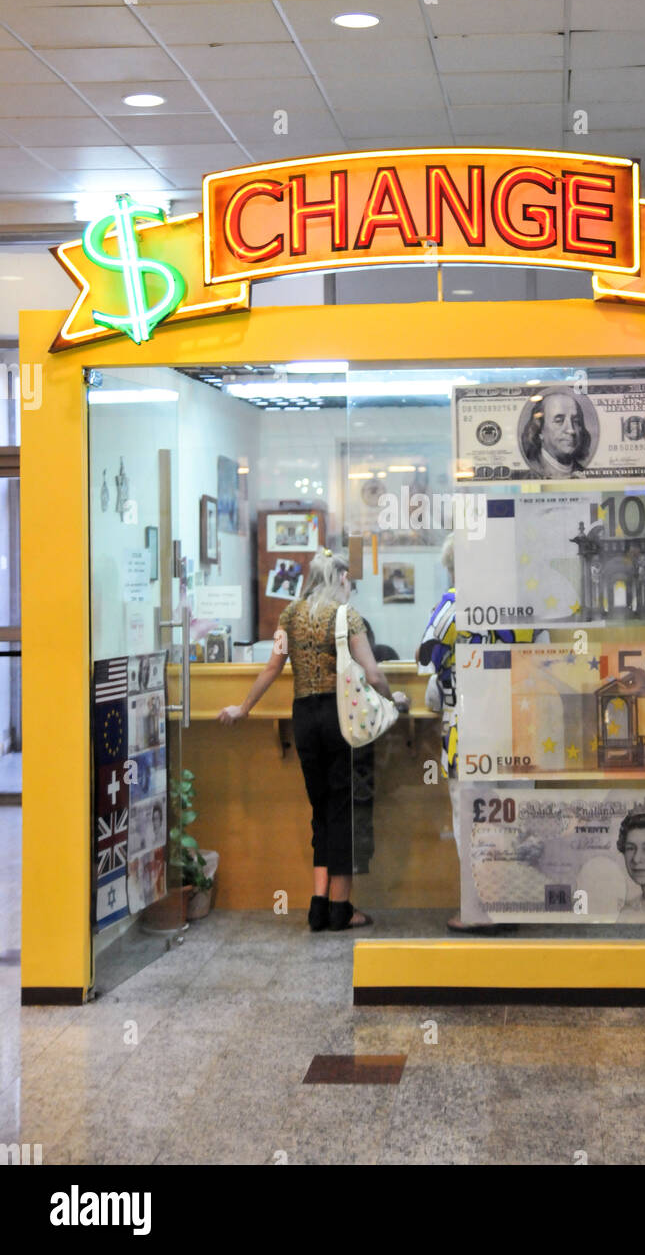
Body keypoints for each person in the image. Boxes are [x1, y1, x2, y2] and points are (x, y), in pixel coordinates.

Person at [218, 549, 405, 932]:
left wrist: (243, 707)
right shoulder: (346, 616)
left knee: (321, 811)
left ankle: (319, 906)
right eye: (348, 580)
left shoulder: (291, 615)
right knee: (345, 813)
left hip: (305, 719)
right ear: (339, 580)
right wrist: (394, 701)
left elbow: (273, 666)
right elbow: (372, 673)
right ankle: (341, 909)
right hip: (340, 722)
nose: (349, 586)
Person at [417, 535, 533, 933]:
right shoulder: (522, 604)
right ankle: (510, 905)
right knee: (513, 817)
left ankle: (480, 910)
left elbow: (433, 668)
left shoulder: (451, 604)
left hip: (469, 730)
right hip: (518, 726)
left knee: (473, 819)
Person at [521, 387, 592, 477]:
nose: (571, 430)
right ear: (540, 430)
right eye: (559, 421)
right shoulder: (530, 472)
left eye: (576, 421)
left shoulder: (582, 471)